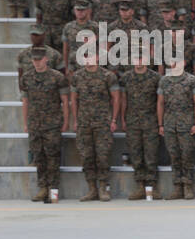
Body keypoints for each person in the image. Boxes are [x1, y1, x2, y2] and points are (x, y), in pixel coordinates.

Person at [20, 49, 69, 202]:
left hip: (52, 123)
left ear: (46, 59)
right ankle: (42, 187)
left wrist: (66, 121)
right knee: (38, 156)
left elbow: (65, 101)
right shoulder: (27, 77)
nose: (37, 62)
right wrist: (25, 122)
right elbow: (25, 101)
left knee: (53, 156)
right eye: (35, 60)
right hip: (35, 123)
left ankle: (53, 189)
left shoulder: (57, 77)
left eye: (40, 59)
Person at [70, 49, 120, 201]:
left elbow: (116, 99)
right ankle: (92, 189)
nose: (88, 59)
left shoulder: (108, 76)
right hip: (84, 122)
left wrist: (113, 120)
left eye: (91, 56)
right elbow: (74, 99)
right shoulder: (77, 76)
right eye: (85, 56)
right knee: (86, 156)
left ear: (98, 57)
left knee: (103, 155)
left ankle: (103, 188)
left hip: (102, 122)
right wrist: (76, 120)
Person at [116, 50, 162, 200]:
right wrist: (123, 118)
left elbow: (160, 101)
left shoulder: (155, 78)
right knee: (136, 154)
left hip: (150, 120)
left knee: (151, 154)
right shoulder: (126, 77)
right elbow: (123, 99)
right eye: (137, 58)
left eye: (142, 58)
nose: (139, 61)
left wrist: (159, 121)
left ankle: (152, 186)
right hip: (132, 120)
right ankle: (140, 186)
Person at [157, 59, 195, 200]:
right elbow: (160, 103)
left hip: (186, 124)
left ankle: (188, 186)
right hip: (170, 124)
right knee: (174, 155)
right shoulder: (164, 80)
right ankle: (177, 187)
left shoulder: (191, 80)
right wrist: (160, 124)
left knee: (187, 155)